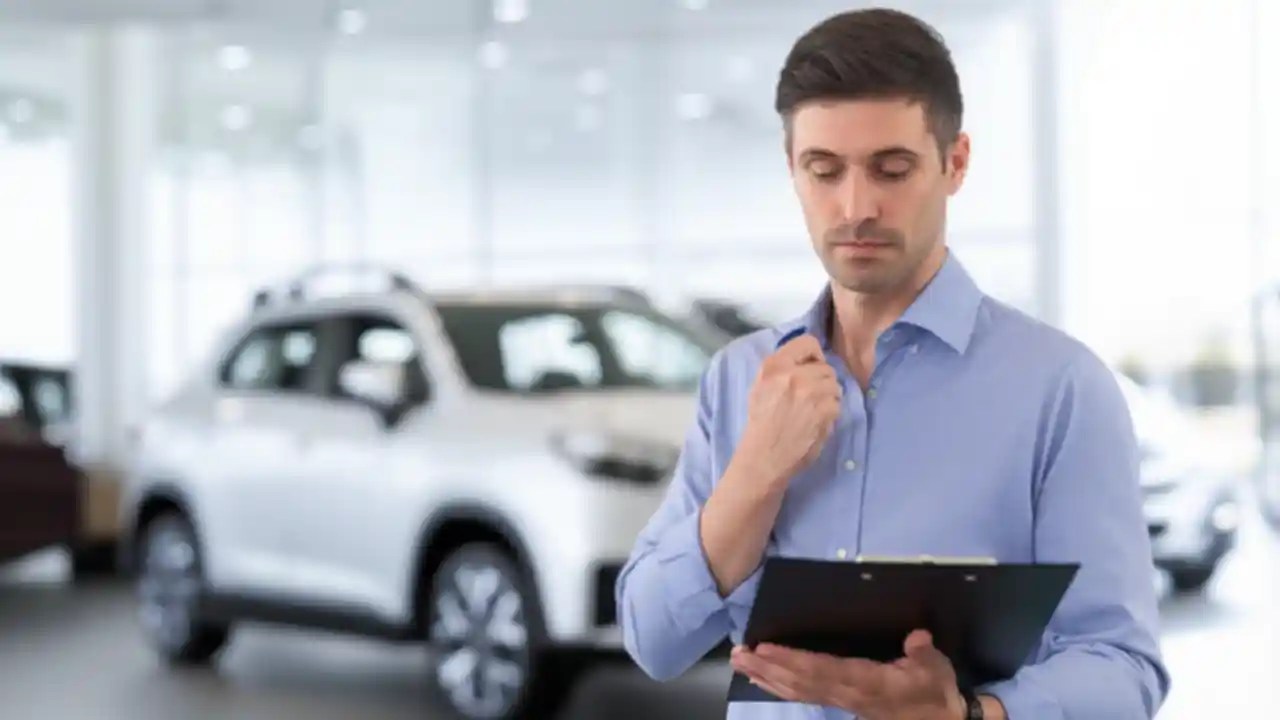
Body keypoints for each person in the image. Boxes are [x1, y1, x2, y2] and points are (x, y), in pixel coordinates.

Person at [615, 7, 1169, 720]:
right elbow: (654, 640)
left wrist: (968, 717)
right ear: (793, 169)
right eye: (824, 170)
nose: (855, 207)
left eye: (891, 168)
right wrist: (756, 472)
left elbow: (1122, 668)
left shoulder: (1061, 390)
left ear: (955, 163)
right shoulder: (739, 377)